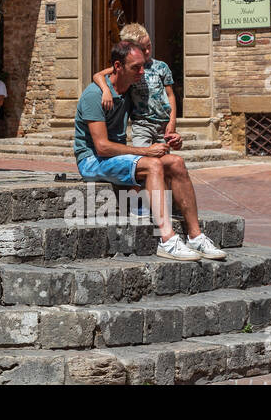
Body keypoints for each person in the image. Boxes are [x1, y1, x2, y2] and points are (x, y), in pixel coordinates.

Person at [73, 40, 225, 262]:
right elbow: (102, 147)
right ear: (118, 66)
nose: (142, 72)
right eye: (136, 67)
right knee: (153, 163)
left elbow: (107, 73)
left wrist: (170, 135)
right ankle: (167, 240)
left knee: (176, 162)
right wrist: (146, 152)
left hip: (118, 156)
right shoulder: (94, 96)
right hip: (92, 160)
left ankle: (195, 236)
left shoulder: (130, 86)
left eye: (143, 65)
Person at [96, 22, 180, 151]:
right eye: (142, 49)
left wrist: (172, 121)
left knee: (163, 158)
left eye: (149, 46)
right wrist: (106, 90)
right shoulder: (126, 67)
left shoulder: (161, 67)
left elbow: (170, 95)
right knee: (143, 156)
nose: (147, 51)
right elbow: (98, 75)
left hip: (163, 124)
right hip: (141, 124)